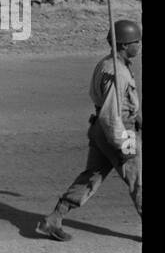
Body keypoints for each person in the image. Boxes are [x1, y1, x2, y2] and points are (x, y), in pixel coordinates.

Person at [36, 19, 142, 240]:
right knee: (139, 179)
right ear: (123, 45)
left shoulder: (106, 64)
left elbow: (108, 102)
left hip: (99, 130)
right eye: (136, 42)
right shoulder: (118, 73)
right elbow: (112, 114)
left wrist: (136, 115)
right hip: (118, 131)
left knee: (91, 176)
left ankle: (53, 219)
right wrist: (125, 144)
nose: (139, 46)